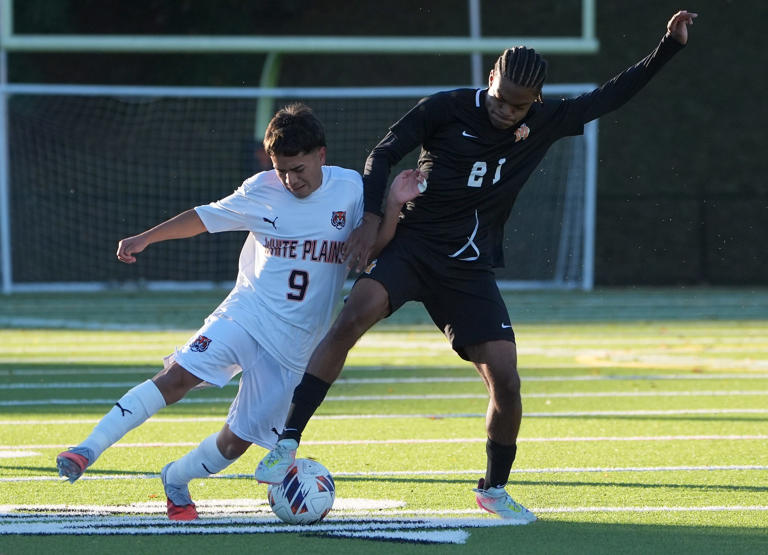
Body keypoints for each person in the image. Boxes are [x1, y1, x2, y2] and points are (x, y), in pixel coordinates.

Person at [254, 11, 698, 523]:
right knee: (353, 317)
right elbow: (383, 153)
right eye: (499, 97)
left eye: (518, 105)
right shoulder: (445, 108)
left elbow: (610, 96)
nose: (505, 110)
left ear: (535, 101)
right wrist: (372, 218)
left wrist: (668, 47)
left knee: (506, 380)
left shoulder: (545, 120)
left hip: (467, 265)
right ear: (490, 78)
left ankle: (494, 489)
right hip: (413, 246)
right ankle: (287, 442)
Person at [56, 102, 423, 520]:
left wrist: (395, 206)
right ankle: (87, 449)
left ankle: (175, 477)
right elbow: (203, 217)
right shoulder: (261, 189)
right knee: (178, 377)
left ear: (321, 155)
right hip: (248, 314)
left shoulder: (352, 189)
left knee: (235, 444)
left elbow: (375, 248)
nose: (291, 180)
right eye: (282, 170)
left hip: (299, 347)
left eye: (299, 168)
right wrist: (145, 238)